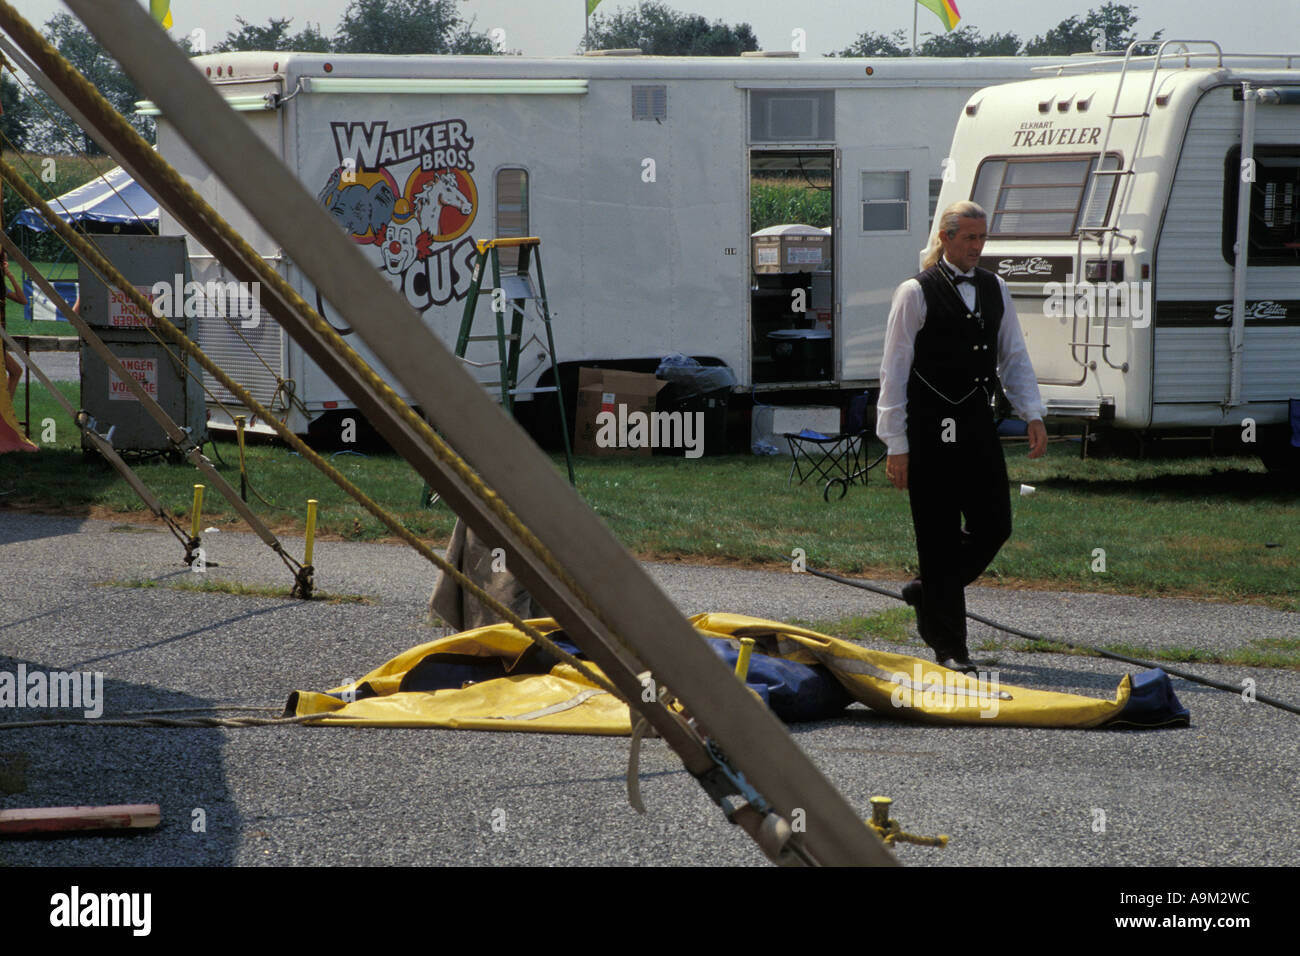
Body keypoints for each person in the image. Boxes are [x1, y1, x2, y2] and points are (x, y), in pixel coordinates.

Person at [876, 200, 1046, 673]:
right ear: (946, 238)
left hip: (975, 426)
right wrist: (896, 443)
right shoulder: (915, 292)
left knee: (996, 525)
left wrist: (1032, 413)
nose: (977, 246)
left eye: (982, 237)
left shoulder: (996, 288)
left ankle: (927, 591)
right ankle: (950, 647)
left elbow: (1013, 356)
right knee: (938, 540)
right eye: (969, 237)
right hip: (929, 432)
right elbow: (893, 371)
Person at [2, 248, 27, 400]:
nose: (6, 265)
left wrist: (10, 276)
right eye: (3, 262)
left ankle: (5, 410)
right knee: (15, 371)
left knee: (15, 372)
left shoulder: (1, 287)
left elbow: (22, 300)